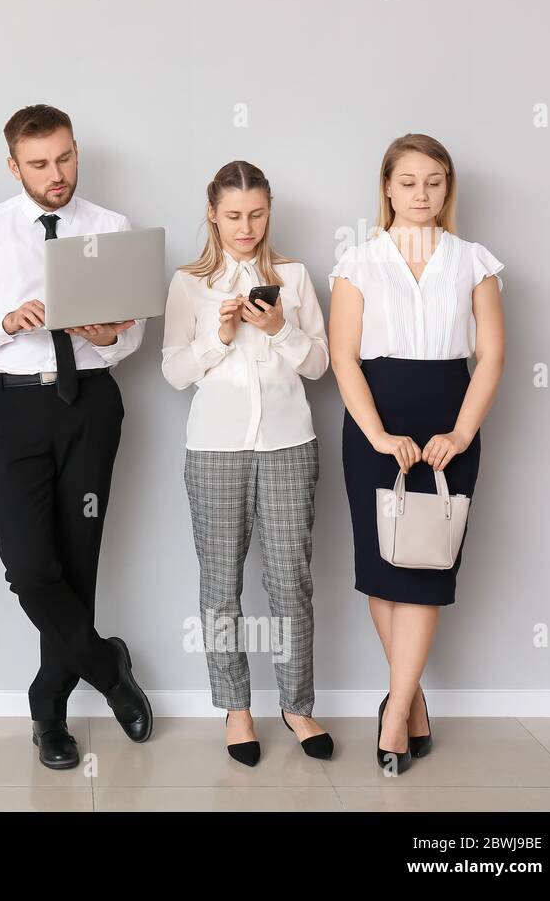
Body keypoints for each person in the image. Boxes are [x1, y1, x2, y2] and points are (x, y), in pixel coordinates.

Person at [0, 104, 152, 771]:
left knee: (78, 561)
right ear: (14, 165)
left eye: (65, 158)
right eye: (39, 163)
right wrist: (6, 321)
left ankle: (49, 713)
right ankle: (106, 666)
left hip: (91, 402)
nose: (56, 174)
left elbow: (134, 332)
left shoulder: (111, 227)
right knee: (31, 569)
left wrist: (111, 334)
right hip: (11, 407)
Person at [329, 133, 505, 775]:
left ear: (447, 188)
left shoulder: (473, 261)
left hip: (447, 419)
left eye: (434, 181)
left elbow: (490, 355)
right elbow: (344, 357)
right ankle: (413, 703)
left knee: (427, 566)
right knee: (383, 568)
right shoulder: (357, 262)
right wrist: (377, 435)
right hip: (375, 422)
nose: (422, 193)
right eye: (409, 181)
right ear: (387, 188)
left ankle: (394, 712)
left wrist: (460, 434)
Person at [162, 160, 335, 767]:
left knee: (291, 579)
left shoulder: (293, 275)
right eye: (234, 215)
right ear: (213, 213)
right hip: (214, 449)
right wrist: (219, 335)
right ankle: (236, 709)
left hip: (289, 445)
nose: (246, 227)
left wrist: (282, 328)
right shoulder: (188, 284)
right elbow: (174, 371)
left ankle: (297, 703)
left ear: (270, 211)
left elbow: (319, 365)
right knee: (220, 585)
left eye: (257, 214)